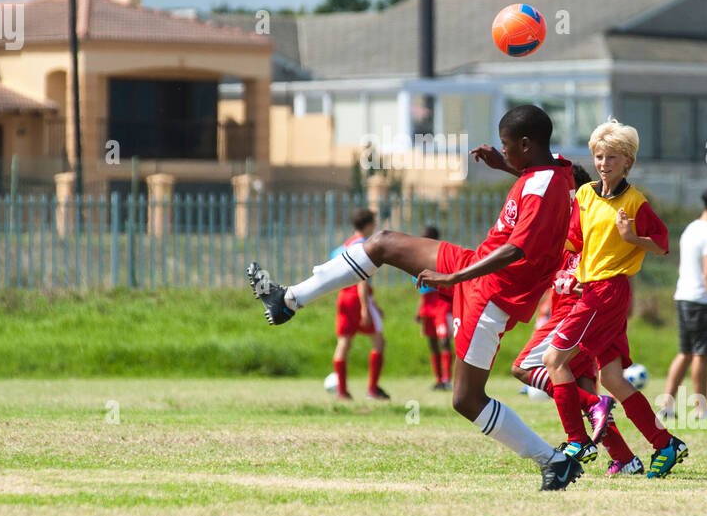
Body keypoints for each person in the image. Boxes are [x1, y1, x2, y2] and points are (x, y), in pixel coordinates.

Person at [248, 105, 585, 490]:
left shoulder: (542, 187)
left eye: (507, 146)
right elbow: (535, 182)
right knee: (384, 243)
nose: (503, 151)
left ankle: (554, 462)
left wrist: (453, 277)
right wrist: (505, 167)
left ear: (526, 144)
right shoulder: (556, 168)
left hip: (491, 293)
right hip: (478, 266)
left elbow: (516, 249)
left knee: (466, 401)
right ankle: (288, 299)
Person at [538, 119, 688, 479]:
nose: (604, 163)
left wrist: (633, 237)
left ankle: (577, 439)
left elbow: (663, 244)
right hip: (591, 289)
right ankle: (664, 443)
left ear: (628, 163)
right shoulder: (586, 195)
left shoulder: (636, 203)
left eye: (612, 157)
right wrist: (568, 274)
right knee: (612, 379)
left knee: (553, 359)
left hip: (609, 292)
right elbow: (575, 243)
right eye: (599, 156)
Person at [510, 165, 647, 476]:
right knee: (582, 388)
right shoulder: (568, 224)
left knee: (524, 367)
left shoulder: (588, 220)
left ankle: (593, 406)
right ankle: (625, 459)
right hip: (575, 312)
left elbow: (604, 267)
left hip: (576, 313)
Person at [660, 186, 707, 421]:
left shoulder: (690, 229)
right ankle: (701, 410)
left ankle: (667, 405)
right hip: (701, 301)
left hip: (682, 297)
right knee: (702, 355)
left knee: (685, 353)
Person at [331, 209, 387, 400]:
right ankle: (372, 389)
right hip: (358, 296)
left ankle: (342, 391)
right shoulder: (364, 246)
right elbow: (362, 279)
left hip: (343, 296)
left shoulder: (342, 246)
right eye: (375, 222)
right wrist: (366, 307)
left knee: (343, 343)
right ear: (369, 224)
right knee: (379, 342)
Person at [416, 225, 454, 391]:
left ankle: (447, 379)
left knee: (444, 340)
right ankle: (438, 379)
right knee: (432, 341)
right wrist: (419, 310)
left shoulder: (442, 256)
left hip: (441, 302)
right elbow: (421, 287)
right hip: (427, 303)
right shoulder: (418, 257)